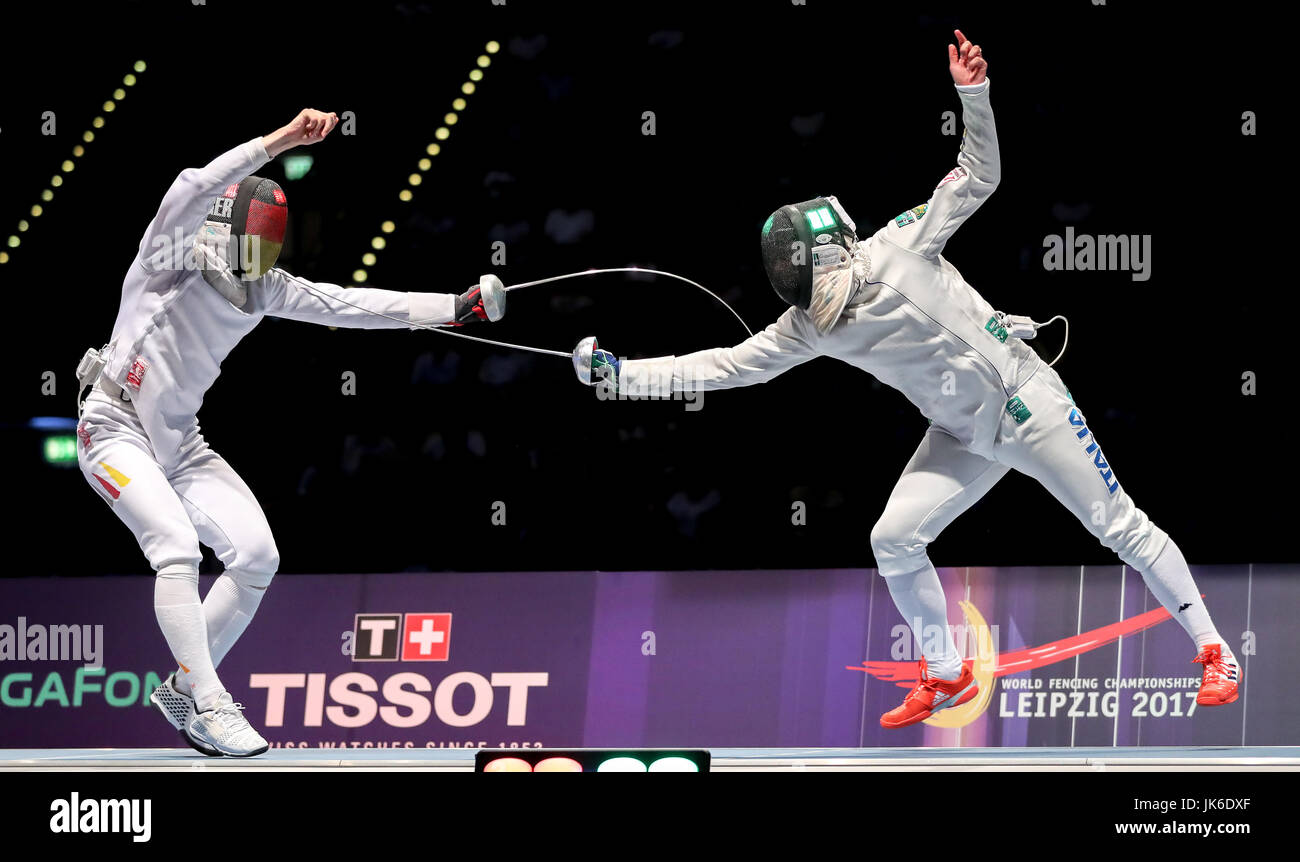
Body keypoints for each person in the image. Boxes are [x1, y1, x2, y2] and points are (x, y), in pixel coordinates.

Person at [573, 31, 1239, 728]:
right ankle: (947, 673)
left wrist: (973, 94)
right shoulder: (810, 327)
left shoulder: (902, 243)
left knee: (1117, 526)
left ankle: (1215, 651)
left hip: (1028, 403)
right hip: (961, 434)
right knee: (892, 539)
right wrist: (622, 377)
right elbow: (720, 366)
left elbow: (977, 174)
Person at [75, 108, 505, 756]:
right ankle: (211, 701)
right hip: (110, 425)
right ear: (223, 233)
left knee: (256, 556)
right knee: (175, 547)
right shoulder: (169, 257)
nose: (261, 263)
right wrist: (279, 142)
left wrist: (453, 309)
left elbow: (354, 305)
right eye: (254, 248)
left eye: (271, 250)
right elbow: (192, 183)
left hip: (177, 442)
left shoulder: (264, 288)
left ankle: (184, 691)